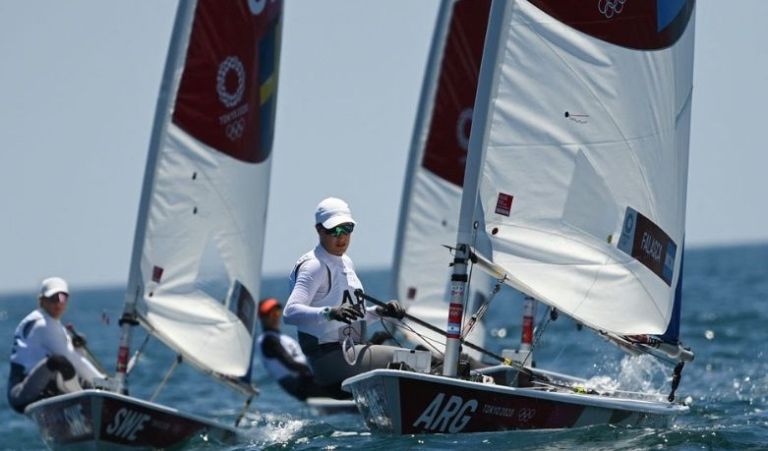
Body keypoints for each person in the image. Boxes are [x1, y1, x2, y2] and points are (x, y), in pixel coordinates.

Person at [283, 197, 406, 397]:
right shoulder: (314, 265)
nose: (342, 238)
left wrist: (380, 312)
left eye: (347, 229)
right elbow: (289, 313)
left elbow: (352, 315)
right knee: (415, 360)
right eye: (334, 231)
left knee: (422, 355)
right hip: (332, 362)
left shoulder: (345, 262)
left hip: (351, 354)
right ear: (319, 230)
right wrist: (330, 313)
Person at [7, 277, 107, 413]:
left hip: (41, 386)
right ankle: (85, 404)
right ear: (42, 301)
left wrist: (77, 348)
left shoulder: (48, 321)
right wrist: (104, 381)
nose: (58, 303)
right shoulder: (43, 324)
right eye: (52, 299)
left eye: (62, 298)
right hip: (21, 393)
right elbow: (72, 360)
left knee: (82, 377)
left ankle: (89, 401)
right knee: (59, 362)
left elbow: (74, 358)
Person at [257, 297, 333, 400]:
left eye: (277, 313)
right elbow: (290, 364)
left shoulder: (277, 337)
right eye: (271, 315)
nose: (275, 318)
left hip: (308, 380)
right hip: (301, 384)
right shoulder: (269, 341)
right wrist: (316, 371)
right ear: (263, 319)